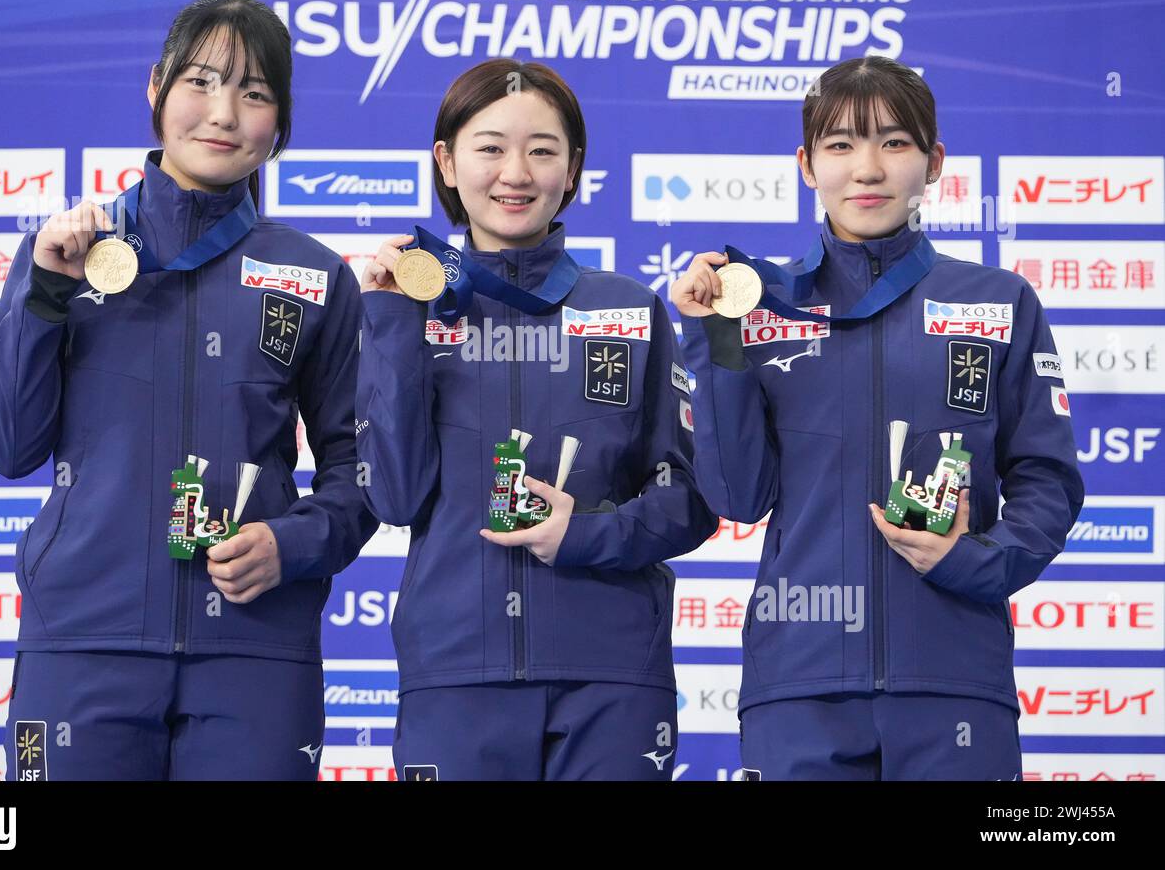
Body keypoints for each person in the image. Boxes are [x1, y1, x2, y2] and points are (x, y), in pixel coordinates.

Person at [0, 0, 376, 780]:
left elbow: (360, 470)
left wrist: (290, 545)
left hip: (256, 650)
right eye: (200, 81)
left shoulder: (316, 275)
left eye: (254, 93)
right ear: (155, 87)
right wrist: (44, 295)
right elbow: (7, 445)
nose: (223, 112)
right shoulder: (65, 252)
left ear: (280, 124)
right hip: (83, 640)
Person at [672, 55, 1083, 780]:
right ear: (806, 164)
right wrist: (718, 342)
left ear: (934, 162)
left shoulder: (1000, 302)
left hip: (954, 679)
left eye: (894, 142)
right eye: (840, 145)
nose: (867, 168)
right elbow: (737, 496)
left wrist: (975, 562)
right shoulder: (755, 306)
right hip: (799, 684)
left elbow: (1047, 478)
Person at [355, 59, 717, 780]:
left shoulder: (629, 310)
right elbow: (392, 497)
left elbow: (693, 502)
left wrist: (585, 535)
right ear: (446, 163)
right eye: (489, 147)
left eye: (542, 149)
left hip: (612, 680)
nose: (515, 172)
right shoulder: (409, 313)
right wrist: (394, 319)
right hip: (456, 674)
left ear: (573, 167)